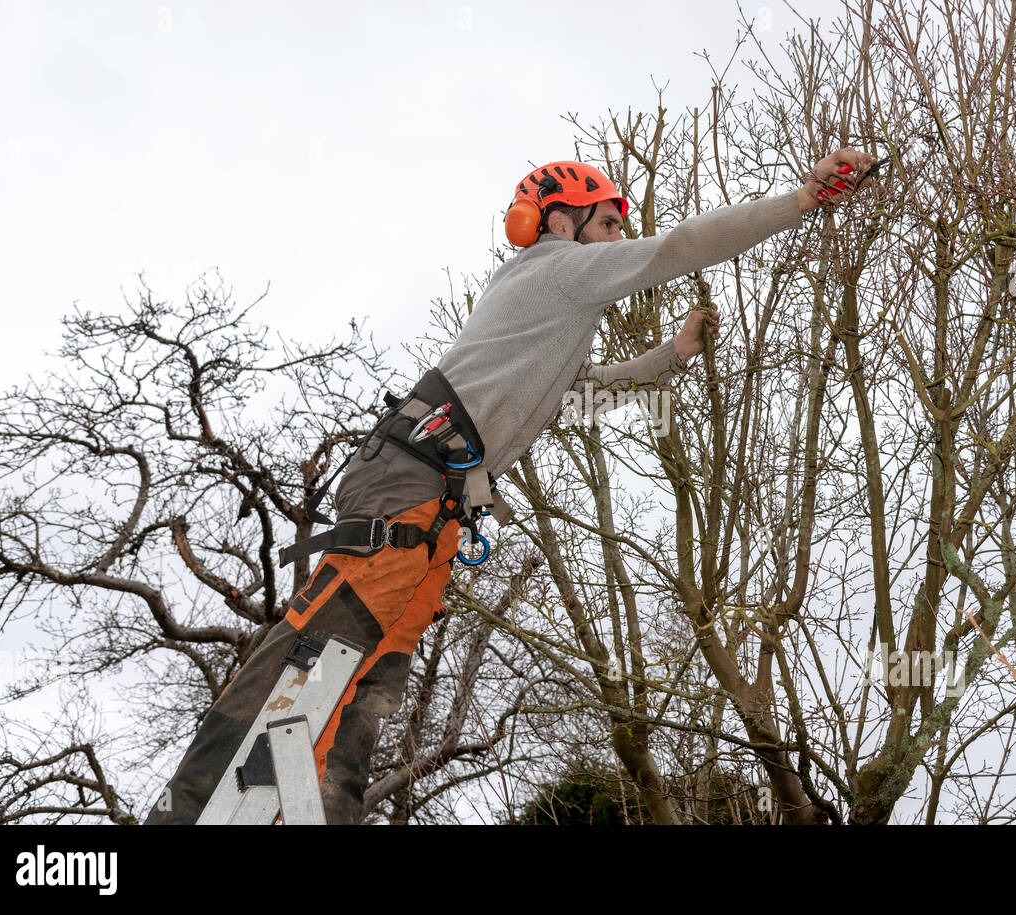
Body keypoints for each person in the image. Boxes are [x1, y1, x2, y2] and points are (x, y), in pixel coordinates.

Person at [145, 147, 877, 824]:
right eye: (609, 217)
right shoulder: (557, 268)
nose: (621, 230)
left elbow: (583, 394)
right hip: (410, 479)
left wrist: (671, 355)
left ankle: (312, 811)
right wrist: (803, 199)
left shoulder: (557, 318)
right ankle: (195, 808)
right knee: (325, 642)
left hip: (435, 502)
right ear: (561, 218)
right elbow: (676, 248)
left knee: (368, 680)